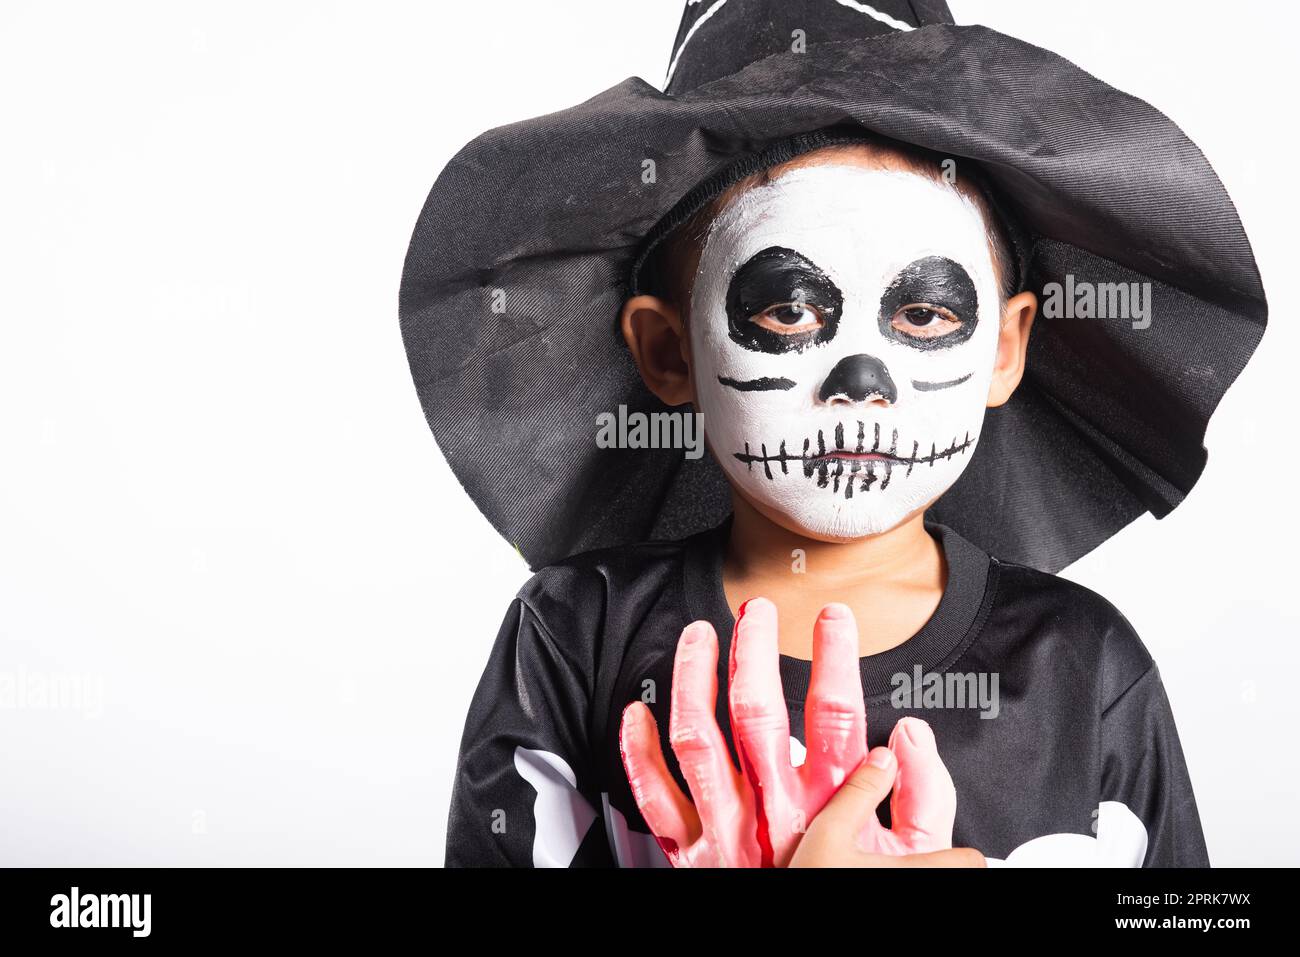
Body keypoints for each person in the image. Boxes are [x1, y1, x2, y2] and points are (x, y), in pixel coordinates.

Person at [400, 1, 1267, 867]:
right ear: (670, 352)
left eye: (924, 313)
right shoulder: (575, 638)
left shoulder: (1084, 664)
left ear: (1005, 348)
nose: (863, 383)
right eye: (788, 310)